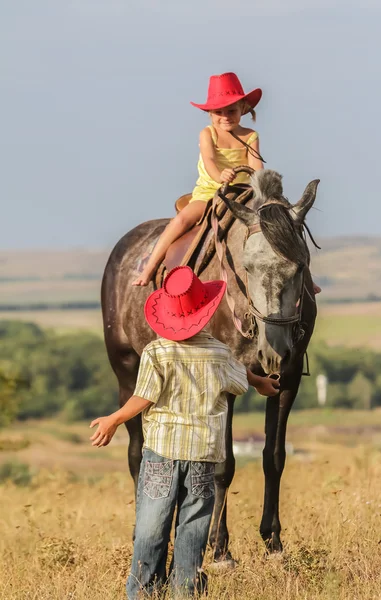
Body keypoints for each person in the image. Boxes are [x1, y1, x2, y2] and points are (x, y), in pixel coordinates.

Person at [90, 266, 280, 599]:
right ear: (206, 314)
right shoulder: (220, 354)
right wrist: (262, 382)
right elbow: (241, 377)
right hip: (203, 456)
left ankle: (143, 592)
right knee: (193, 529)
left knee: (151, 527)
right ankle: (185, 591)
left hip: (162, 453)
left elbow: (143, 397)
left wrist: (114, 419)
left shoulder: (157, 353)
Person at [132, 72, 264, 287]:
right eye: (218, 112)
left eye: (231, 111)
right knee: (182, 220)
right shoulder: (207, 134)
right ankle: (150, 268)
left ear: (243, 109)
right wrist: (220, 177)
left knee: (280, 220)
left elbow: (256, 165)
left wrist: (263, 184)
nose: (225, 116)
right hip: (211, 193)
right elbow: (210, 160)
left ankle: (304, 277)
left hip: (242, 194)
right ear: (210, 114)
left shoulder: (251, 136)